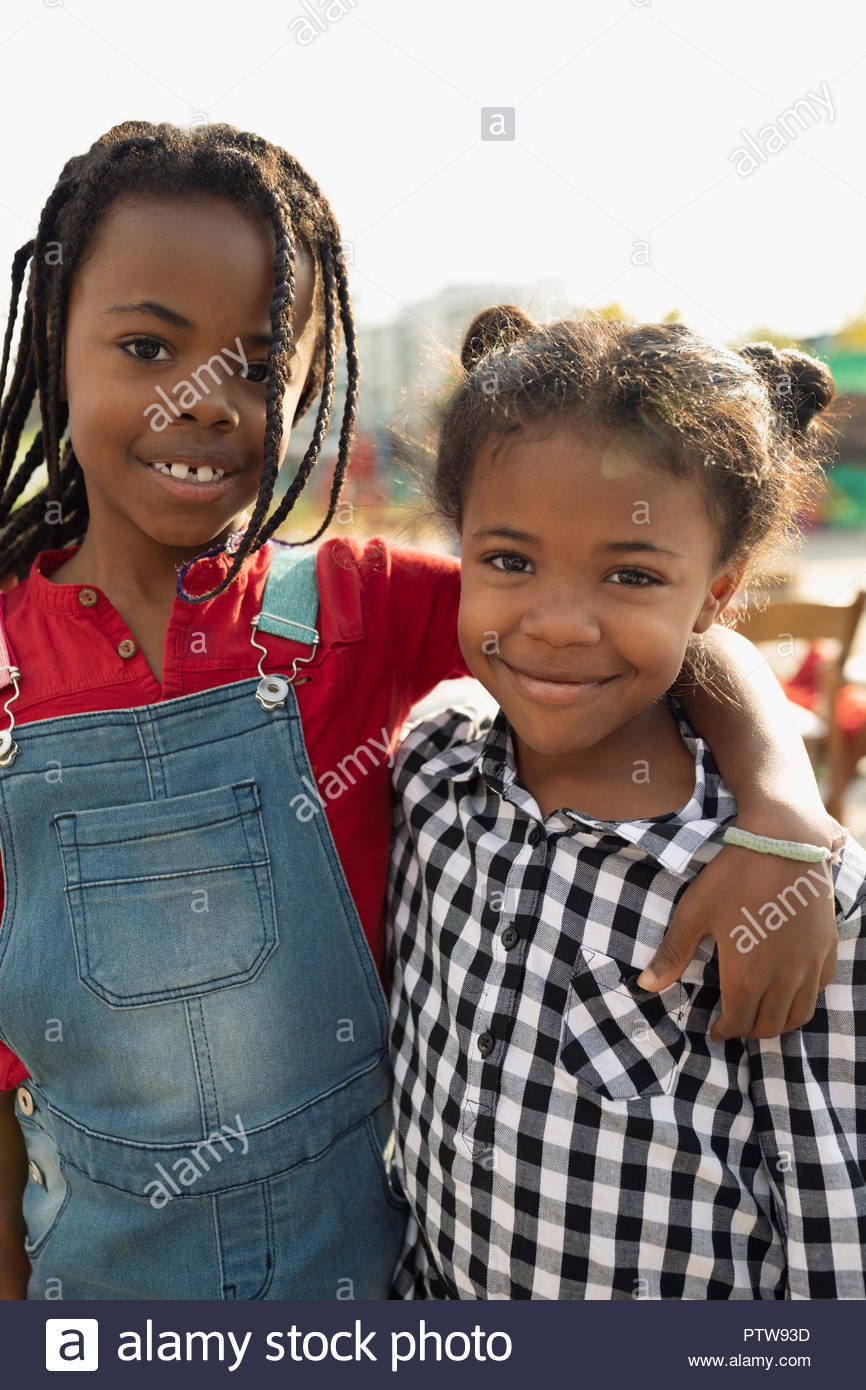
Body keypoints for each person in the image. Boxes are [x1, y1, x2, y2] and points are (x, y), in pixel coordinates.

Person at [0, 121, 841, 1300]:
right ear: (53, 338)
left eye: (256, 366)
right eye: (147, 345)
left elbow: (635, 634)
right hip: (95, 1291)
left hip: (362, 1292)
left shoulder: (341, 606)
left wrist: (780, 809)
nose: (202, 405)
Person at [387, 307, 866, 1300]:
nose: (558, 624)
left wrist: (778, 817)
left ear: (712, 598)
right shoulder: (427, 777)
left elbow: (832, 1211)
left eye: (630, 574)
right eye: (508, 561)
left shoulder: (780, 885)